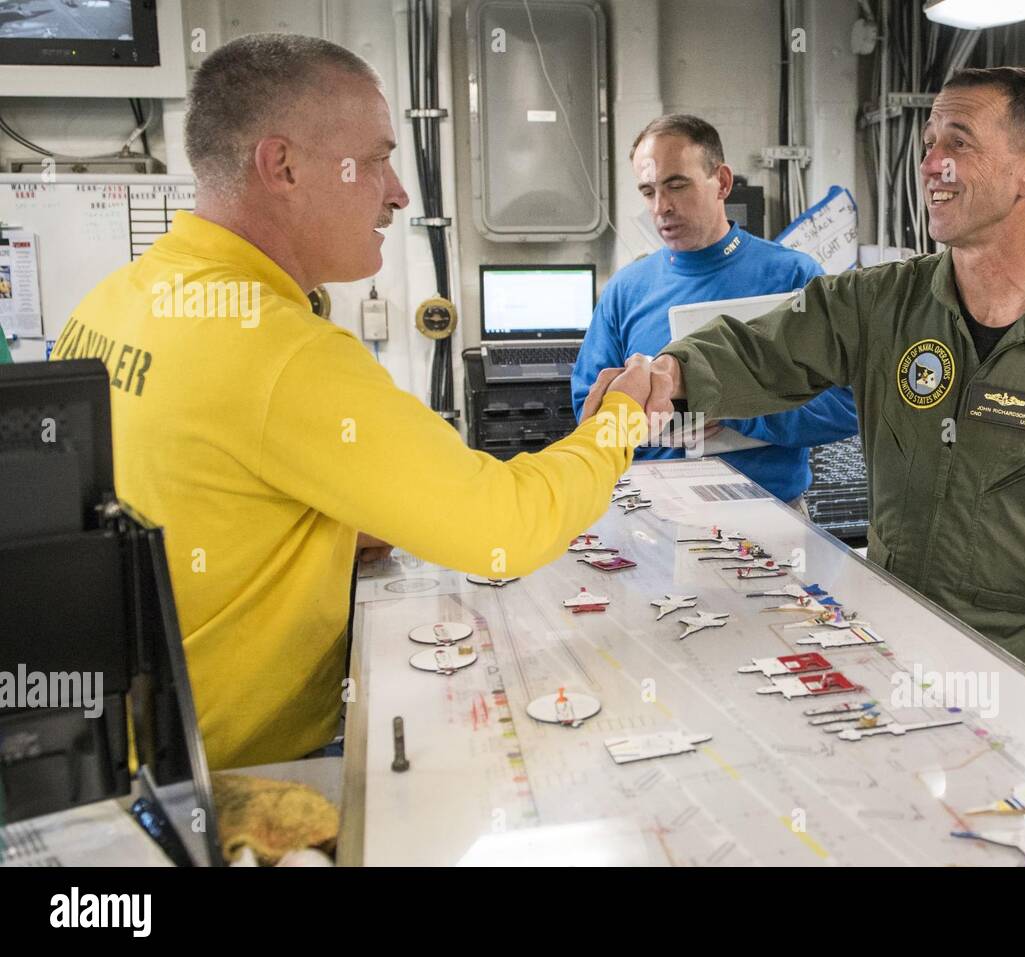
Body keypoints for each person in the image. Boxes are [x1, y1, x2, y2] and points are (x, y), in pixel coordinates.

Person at [50, 33, 659, 769]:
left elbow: (198, 492)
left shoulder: (116, 299)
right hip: (236, 781)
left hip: (114, 757)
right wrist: (620, 419)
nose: (399, 191)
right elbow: (505, 527)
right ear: (283, 166)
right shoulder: (278, 349)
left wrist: (324, 530)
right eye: (375, 161)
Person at [644, 67, 1025, 741]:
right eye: (928, 143)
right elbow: (768, 349)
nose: (930, 164)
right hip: (890, 653)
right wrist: (671, 373)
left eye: (956, 142)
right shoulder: (882, 304)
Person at [572, 114, 857, 507]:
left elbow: (845, 406)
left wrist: (734, 406)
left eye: (676, 185)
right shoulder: (626, 289)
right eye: (648, 191)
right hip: (651, 512)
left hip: (771, 515)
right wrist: (647, 416)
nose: (661, 207)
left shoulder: (793, 277)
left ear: (722, 182)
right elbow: (586, 403)